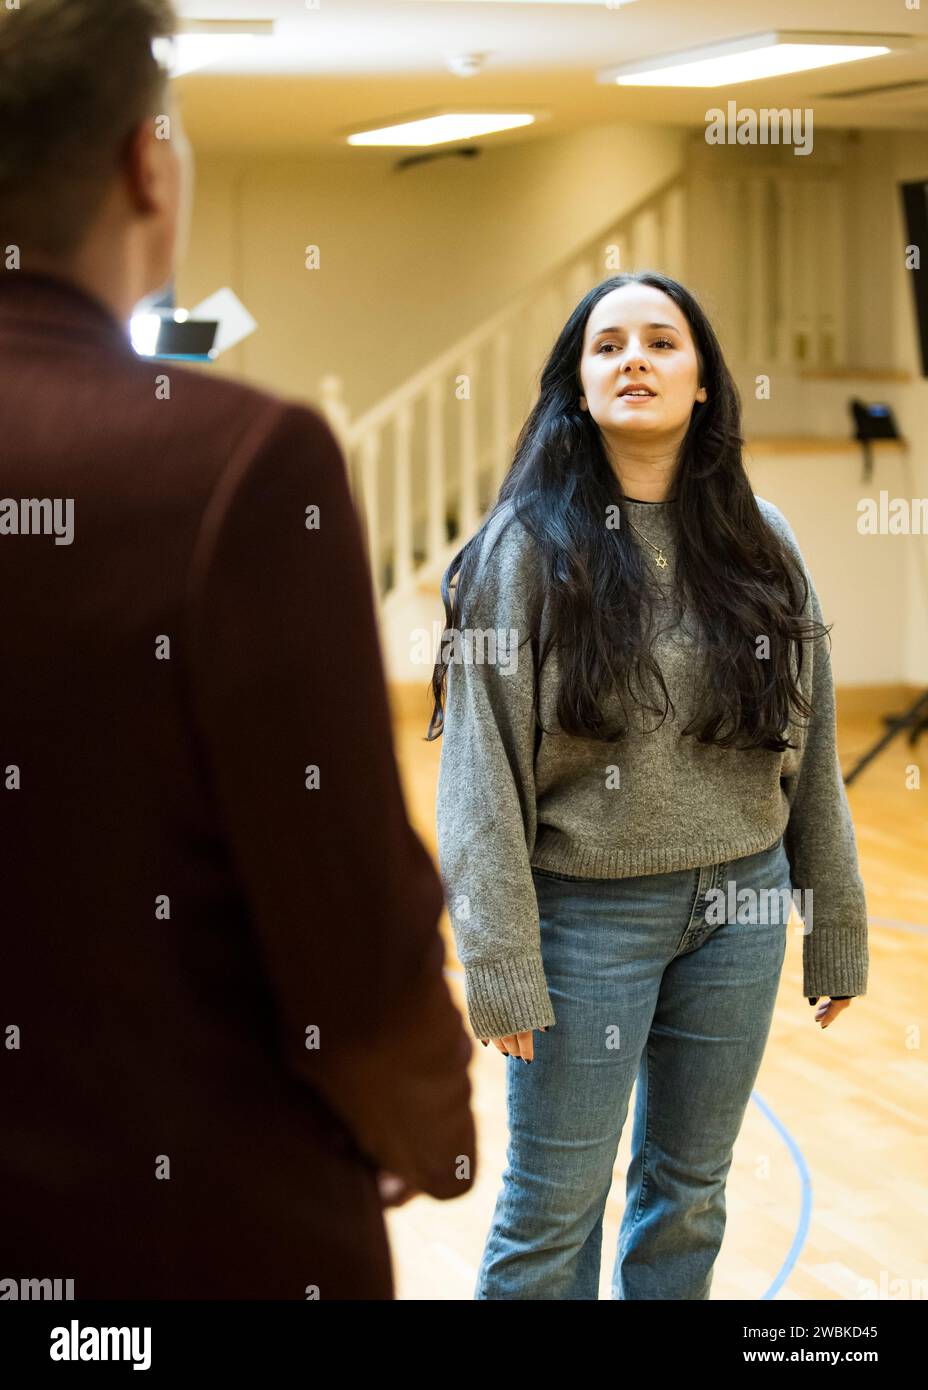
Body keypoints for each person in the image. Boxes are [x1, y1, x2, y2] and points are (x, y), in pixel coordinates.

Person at [0, 0, 474, 1300]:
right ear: (147, 166)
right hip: (189, 1232)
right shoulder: (240, 467)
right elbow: (348, 930)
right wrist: (427, 1124)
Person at [428, 270, 867, 1300]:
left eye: (662, 343)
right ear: (575, 387)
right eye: (608, 345)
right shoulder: (522, 550)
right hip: (584, 920)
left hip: (742, 911)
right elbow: (477, 769)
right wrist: (497, 957)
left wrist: (832, 915)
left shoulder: (764, 542)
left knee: (690, 1196)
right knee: (551, 1215)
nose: (635, 359)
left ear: (703, 380)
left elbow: (810, 736)